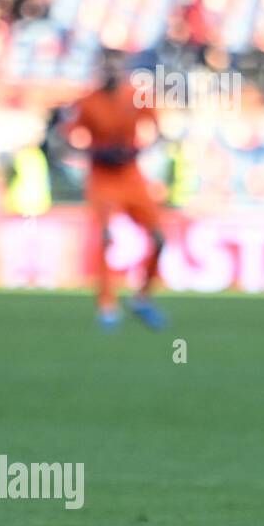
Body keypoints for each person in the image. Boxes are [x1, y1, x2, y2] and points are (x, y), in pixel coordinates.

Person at [65, 52, 168, 330]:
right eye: (106, 66)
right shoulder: (87, 102)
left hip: (132, 176)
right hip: (102, 178)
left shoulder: (138, 96)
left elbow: (159, 132)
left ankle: (143, 297)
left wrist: (138, 149)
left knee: (159, 238)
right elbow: (68, 139)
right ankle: (107, 306)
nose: (111, 71)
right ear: (99, 69)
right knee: (106, 237)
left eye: (116, 66)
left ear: (124, 69)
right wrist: (96, 152)